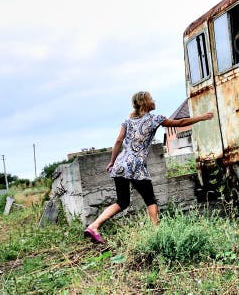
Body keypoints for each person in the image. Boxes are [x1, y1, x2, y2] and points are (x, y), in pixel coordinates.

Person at [83, 91, 214, 244]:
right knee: (150, 200)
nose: (154, 100)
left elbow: (118, 141)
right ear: (145, 103)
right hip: (136, 166)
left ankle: (94, 226)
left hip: (121, 165)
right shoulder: (154, 119)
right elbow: (180, 123)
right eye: (151, 99)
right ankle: (157, 234)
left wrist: (112, 162)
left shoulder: (128, 121)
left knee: (122, 201)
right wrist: (202, 117)